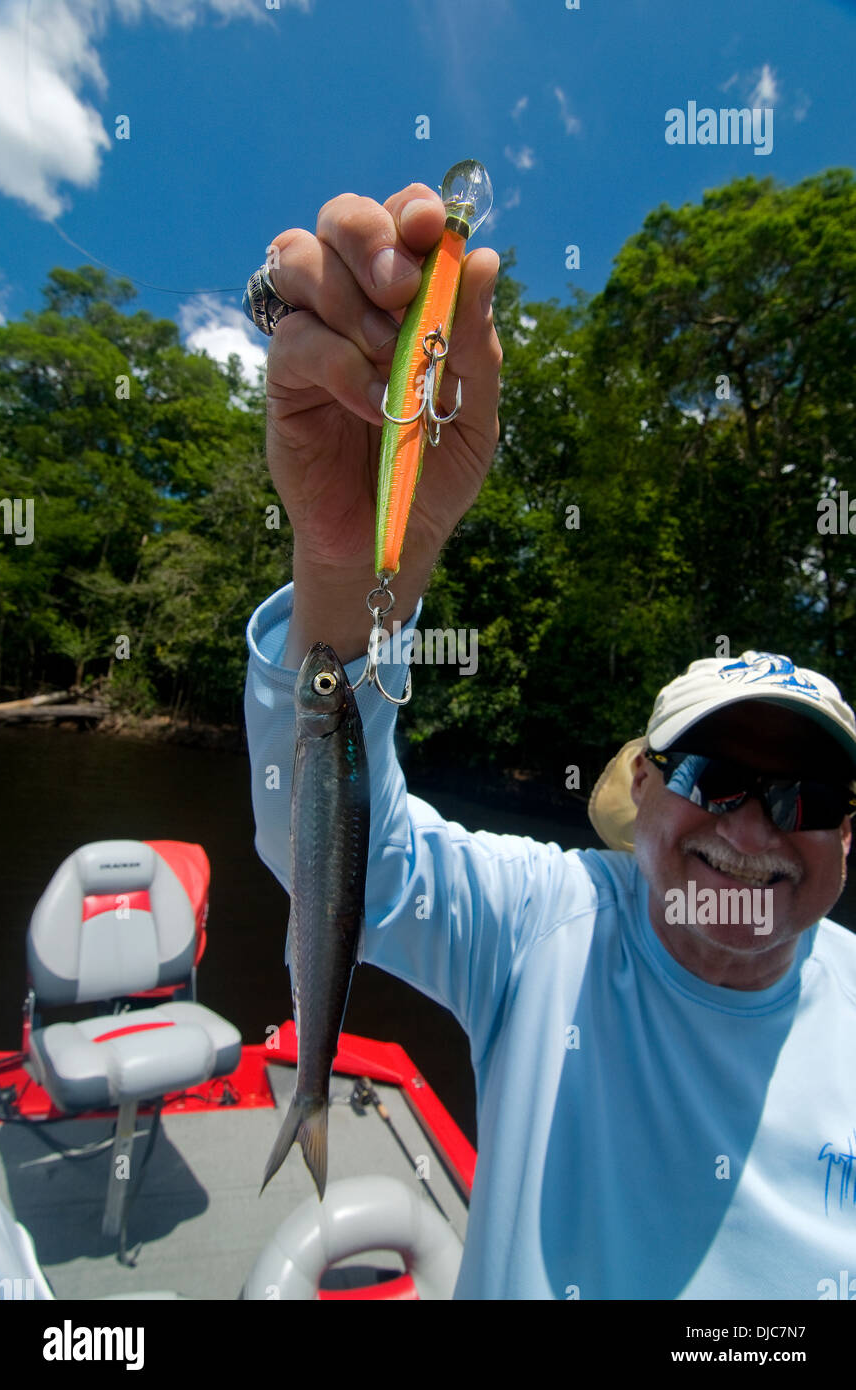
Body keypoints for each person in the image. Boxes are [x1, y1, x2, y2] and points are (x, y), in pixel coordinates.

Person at [242, 182, 856, 1300]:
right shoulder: (548, 922)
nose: (754, 830)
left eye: (804, 796)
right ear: (640, 788)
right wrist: (346, 572)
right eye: (715, 777)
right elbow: (339, 868)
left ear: (845, 835)